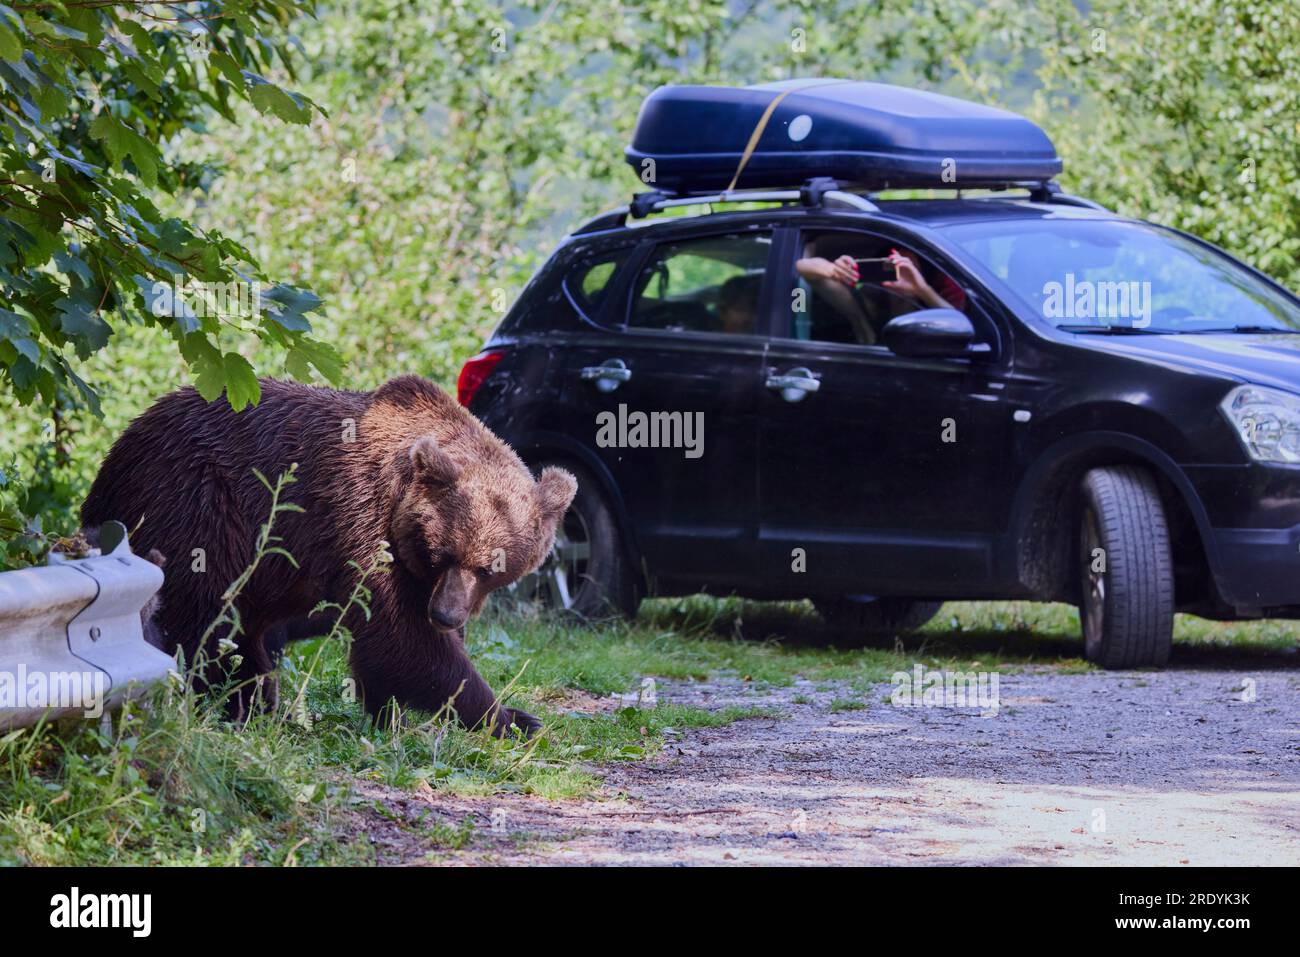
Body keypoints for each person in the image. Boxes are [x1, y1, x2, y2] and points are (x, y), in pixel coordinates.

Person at [795, 246, 965, 344]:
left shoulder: (930, 310)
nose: (901, 275)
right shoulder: (865, 306)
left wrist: (922, 289)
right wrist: (833, 270)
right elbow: (802, 266)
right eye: (893, 268)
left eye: (909, 268)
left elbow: (964, 327)